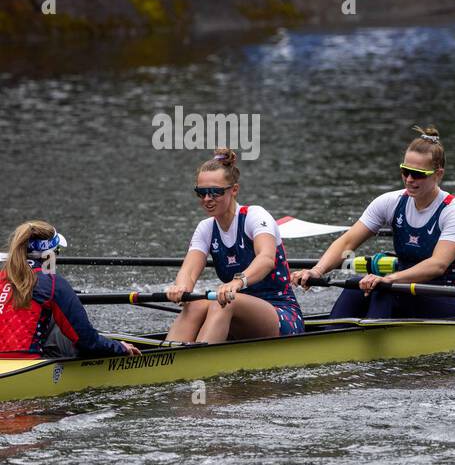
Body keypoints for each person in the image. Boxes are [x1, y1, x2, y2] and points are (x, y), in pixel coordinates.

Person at [291, 126, 455, 319]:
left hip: (448, 299)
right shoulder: (390, 202)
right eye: (405, 171)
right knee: (356, 285)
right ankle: (331, 334)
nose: (409, 179)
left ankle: (370, 342)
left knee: (383, 289)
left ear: (438, 174)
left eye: (418, 174)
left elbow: (437, 265)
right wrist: (316, 271)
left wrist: (389, 279)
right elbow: (347, 243)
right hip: (402, 290)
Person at [166, 150, 305, 344]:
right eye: (201, 192)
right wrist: (181, 287)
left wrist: (237, 282)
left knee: (223, 302)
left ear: (234, 190)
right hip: (234, 310)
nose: (207, 199)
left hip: (281, 314)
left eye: (215, 192)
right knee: (194, 305)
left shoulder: (255, 216)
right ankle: (168, 362)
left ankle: (196, 363)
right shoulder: (206, 228)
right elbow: (188, 272)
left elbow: (266, 259)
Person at [0, 220, 138, 359]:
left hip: (6, 367)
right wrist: (118, 347)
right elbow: (87, 341)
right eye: (57, 250)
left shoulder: (3, 276)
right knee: (75, 329)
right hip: (28, 364)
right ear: (49, 254)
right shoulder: (52, 283)